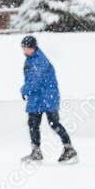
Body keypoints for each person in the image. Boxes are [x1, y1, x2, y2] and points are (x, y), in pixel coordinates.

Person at [20, 35, 77, 163]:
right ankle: (36, 152)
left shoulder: (39, 60)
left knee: (53, 123)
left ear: (33, 47)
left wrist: (24, 90)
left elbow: (35, 81)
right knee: (33, 124)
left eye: (27, 48)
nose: (24, 50)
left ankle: (69, 149)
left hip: (47, 97)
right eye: (23, 48)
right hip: (38, 98)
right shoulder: (31, 59)